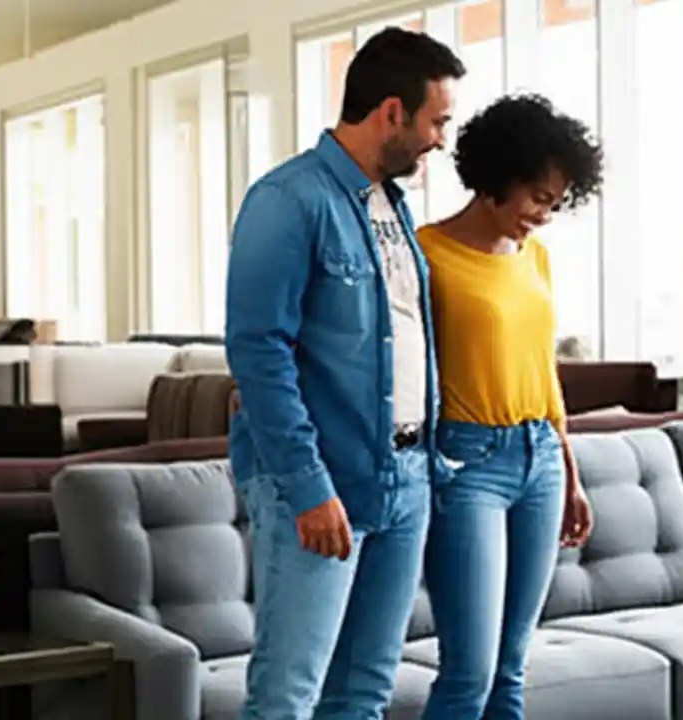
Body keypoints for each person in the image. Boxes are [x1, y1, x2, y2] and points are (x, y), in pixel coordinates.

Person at [225, 27, 465, 719]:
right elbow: (259, 351)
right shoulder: (287, 199)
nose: (440, 140)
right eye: (436, 120)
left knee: (363, 694)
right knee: (287, 698)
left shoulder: (391, 202)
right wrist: (307, 488)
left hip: (406, 477)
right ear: (393, 111)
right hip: (323, 481)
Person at [416, 93, 603, 720]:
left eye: (555, 203)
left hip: (541, 461)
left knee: (512, 670)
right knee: (470, 672)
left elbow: (542, 371)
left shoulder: (536, 259)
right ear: (495, 175)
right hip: (466, 466)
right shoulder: (427, 255)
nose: (543, 215)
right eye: (536, 197)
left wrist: (571, 474)